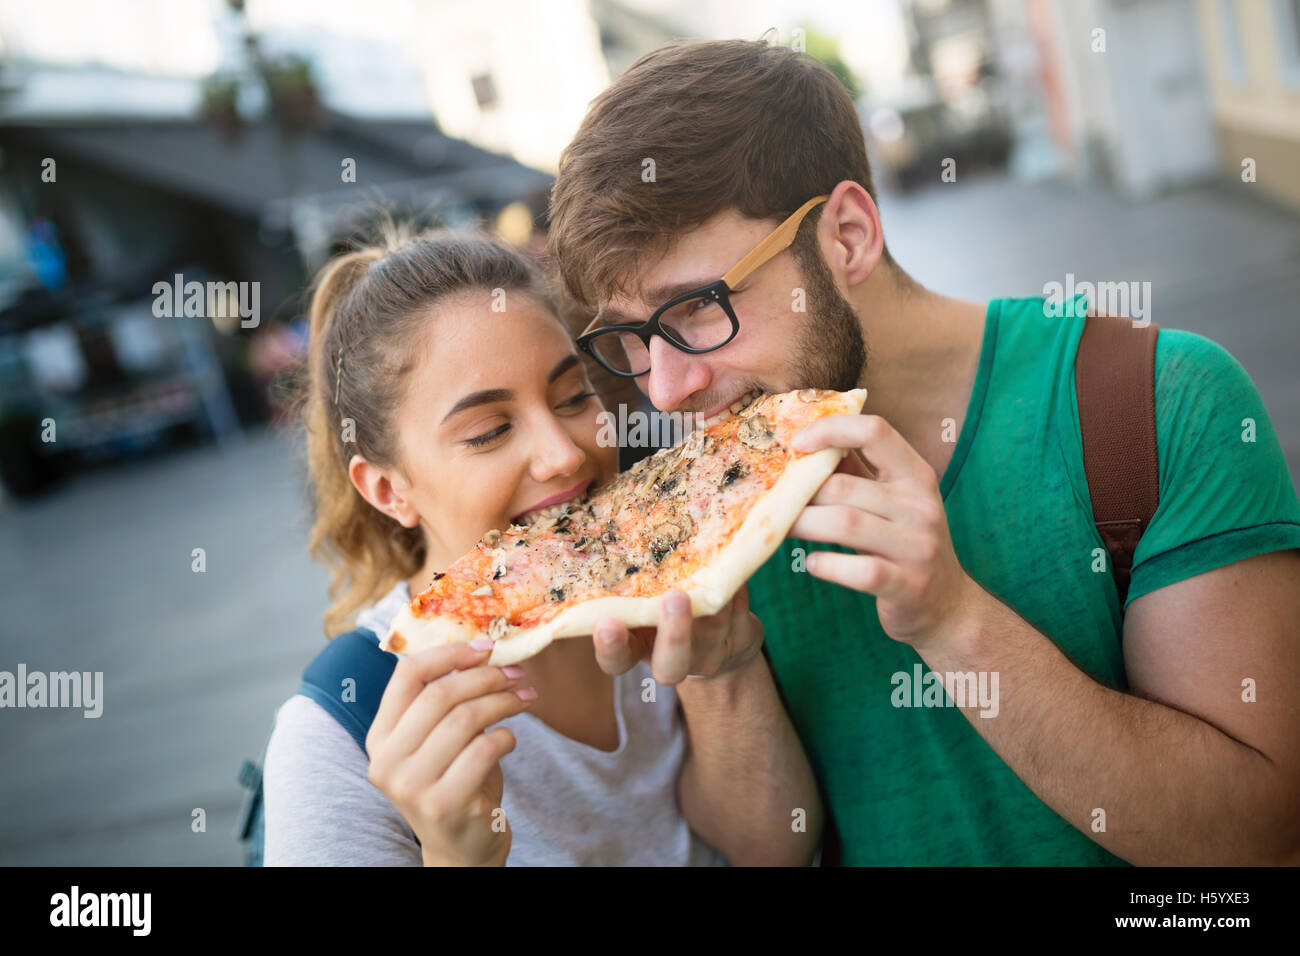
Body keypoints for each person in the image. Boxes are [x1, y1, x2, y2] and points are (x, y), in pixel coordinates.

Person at [544, 37, 1300, 865]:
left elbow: (1252, 836)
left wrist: (952, 619)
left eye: (694, 309)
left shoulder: (1160, 400)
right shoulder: (701, 512)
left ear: (848, 236)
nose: (664, 391)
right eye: (633, 338)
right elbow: (767, 851)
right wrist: (723, 673)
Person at [261, 226, 822, 866]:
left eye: (573, 396)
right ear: (388, 490)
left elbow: (771, 850)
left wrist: (724, 671)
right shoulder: (333, 742)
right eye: (490, 431)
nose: (563, 455)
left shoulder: (669, 580)